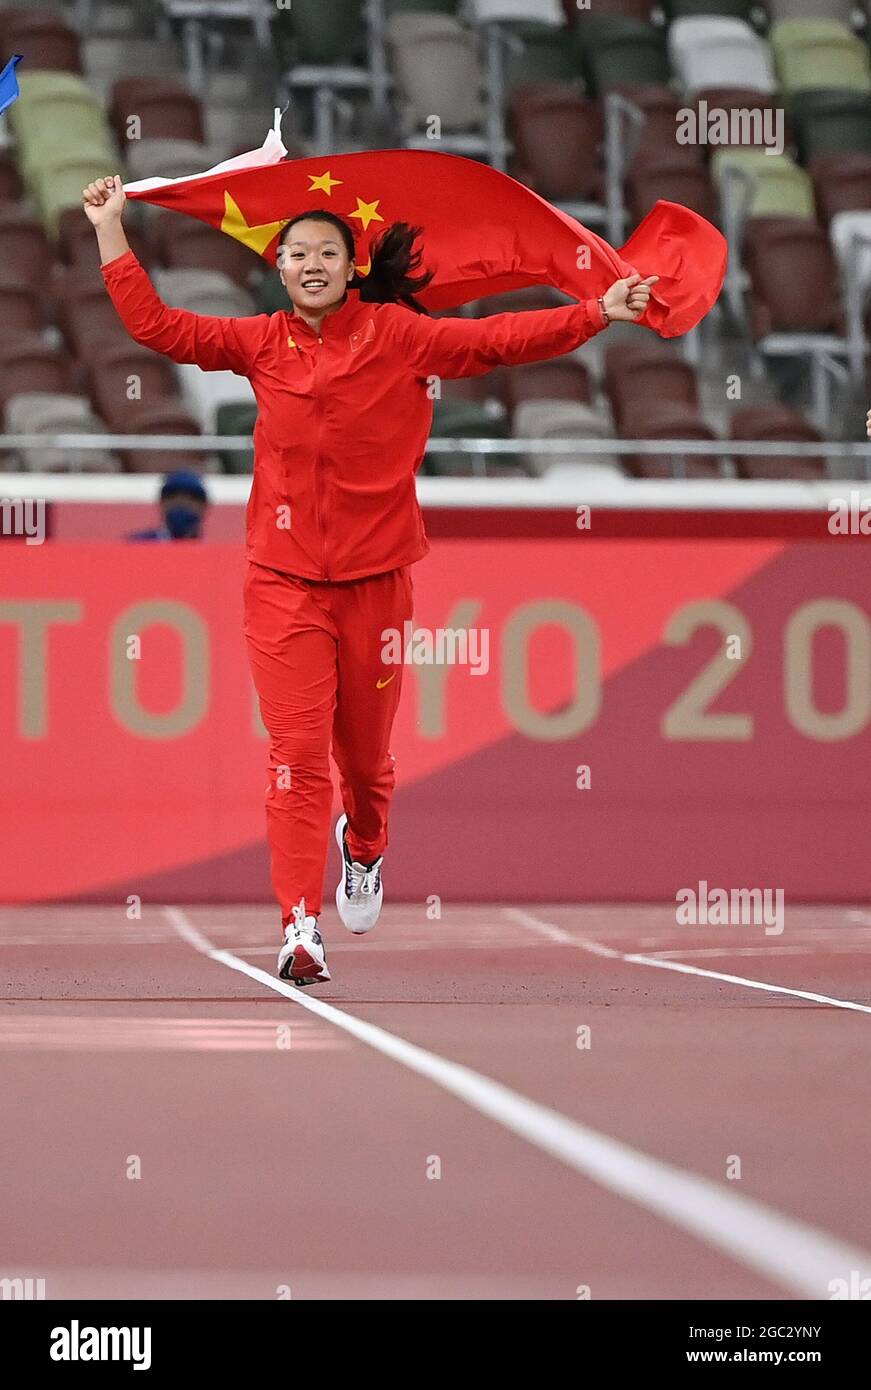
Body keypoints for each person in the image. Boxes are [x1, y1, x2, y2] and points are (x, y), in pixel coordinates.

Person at [83, 171, 658, 986]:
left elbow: (498, 342)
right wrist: (111, 228)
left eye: (326, 252)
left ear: (353, 265)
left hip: (377, 581)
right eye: (294, 254)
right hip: (280, 582)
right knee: (294, 754)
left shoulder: (398, 335)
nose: (309, 264)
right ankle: (297, 926)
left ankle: (367, 847)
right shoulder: (256, 343)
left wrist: (598, 312)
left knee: (366, 764)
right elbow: (159, 328)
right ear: (277, 270)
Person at [125, 469, 209, 541]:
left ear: (204, 506)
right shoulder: (136, 544)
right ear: (161, 503)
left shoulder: (212, 550)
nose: (181, 503)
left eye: (191, 498)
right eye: (172, 496)